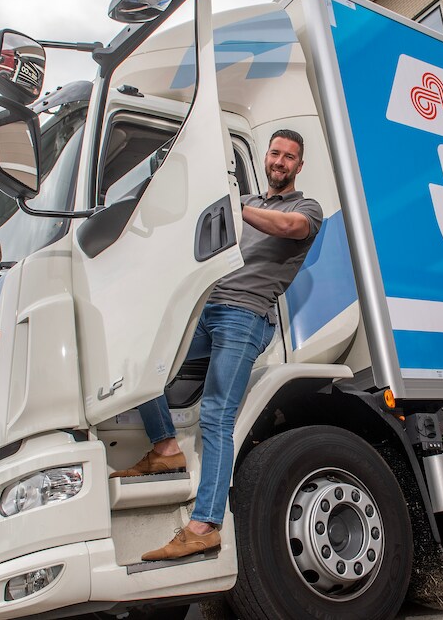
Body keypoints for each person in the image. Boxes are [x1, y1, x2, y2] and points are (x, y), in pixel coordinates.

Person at [110, 129, 323, 561]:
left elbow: (288, 227)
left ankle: (205, 525)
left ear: (299, 166)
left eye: (290, 157)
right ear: (267, 157)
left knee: (216, 416)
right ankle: (166, 448)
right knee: (144, 365)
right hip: (207, 310)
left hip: (246, 316)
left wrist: (235, 206)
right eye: (276, 153)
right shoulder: (248, 202)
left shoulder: (305, 208)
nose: (280, 161)